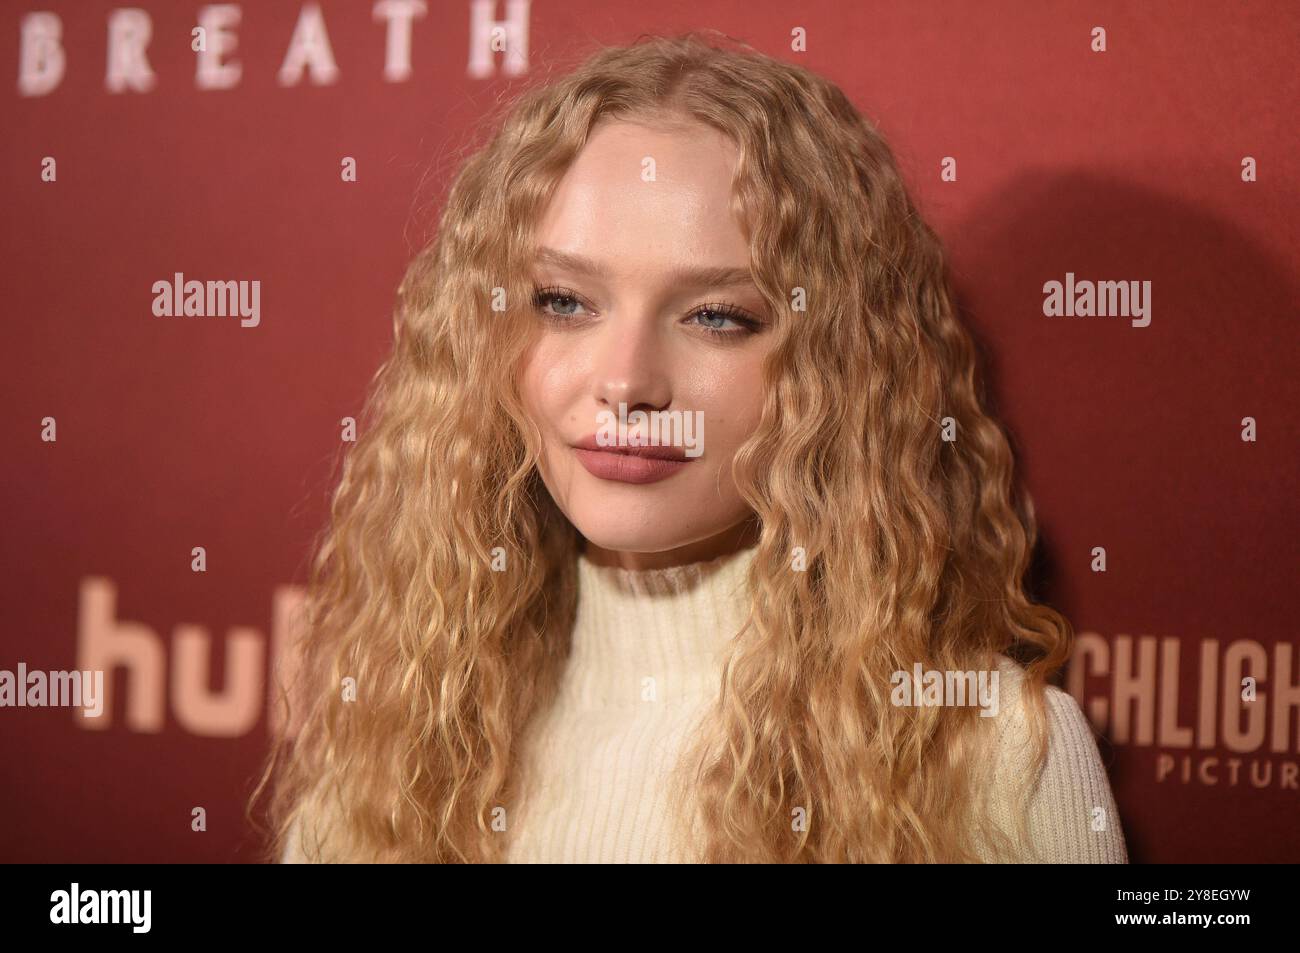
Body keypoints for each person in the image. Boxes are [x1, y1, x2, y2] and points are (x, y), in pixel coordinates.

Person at [258, 32, 1127, 864]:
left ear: (839, 368)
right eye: (563, 301)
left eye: (717, 316)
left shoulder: (995, 759)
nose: (627, 380)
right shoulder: (396, 749)